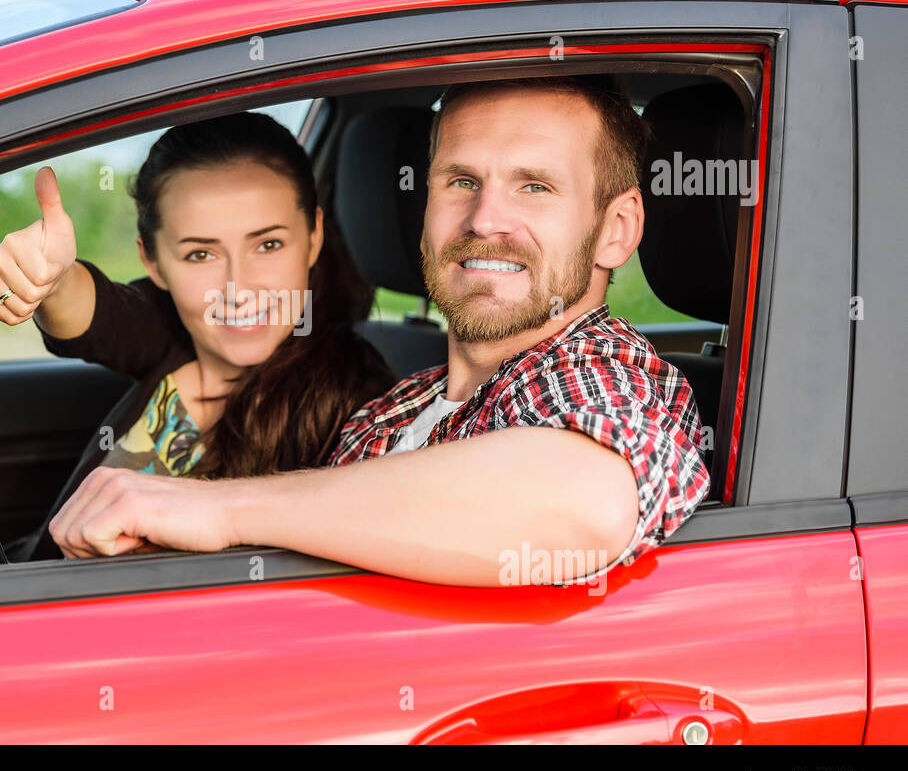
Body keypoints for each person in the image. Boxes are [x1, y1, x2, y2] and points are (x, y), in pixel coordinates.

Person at [42, 75, 712, 587]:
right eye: (460, 180)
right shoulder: (391, 409)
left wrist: (220, 509)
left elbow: (588, 498)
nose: (484, 218)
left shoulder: (605, 371)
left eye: (534, 186)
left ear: (616, 229)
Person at [0, 112, 396, 559]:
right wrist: (49, 280)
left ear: (312, 237)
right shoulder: (173, 331)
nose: (238, 289)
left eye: (268, 245)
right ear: (153, 261)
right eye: (200, 254)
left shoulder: (362, 395)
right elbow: (92, 311)